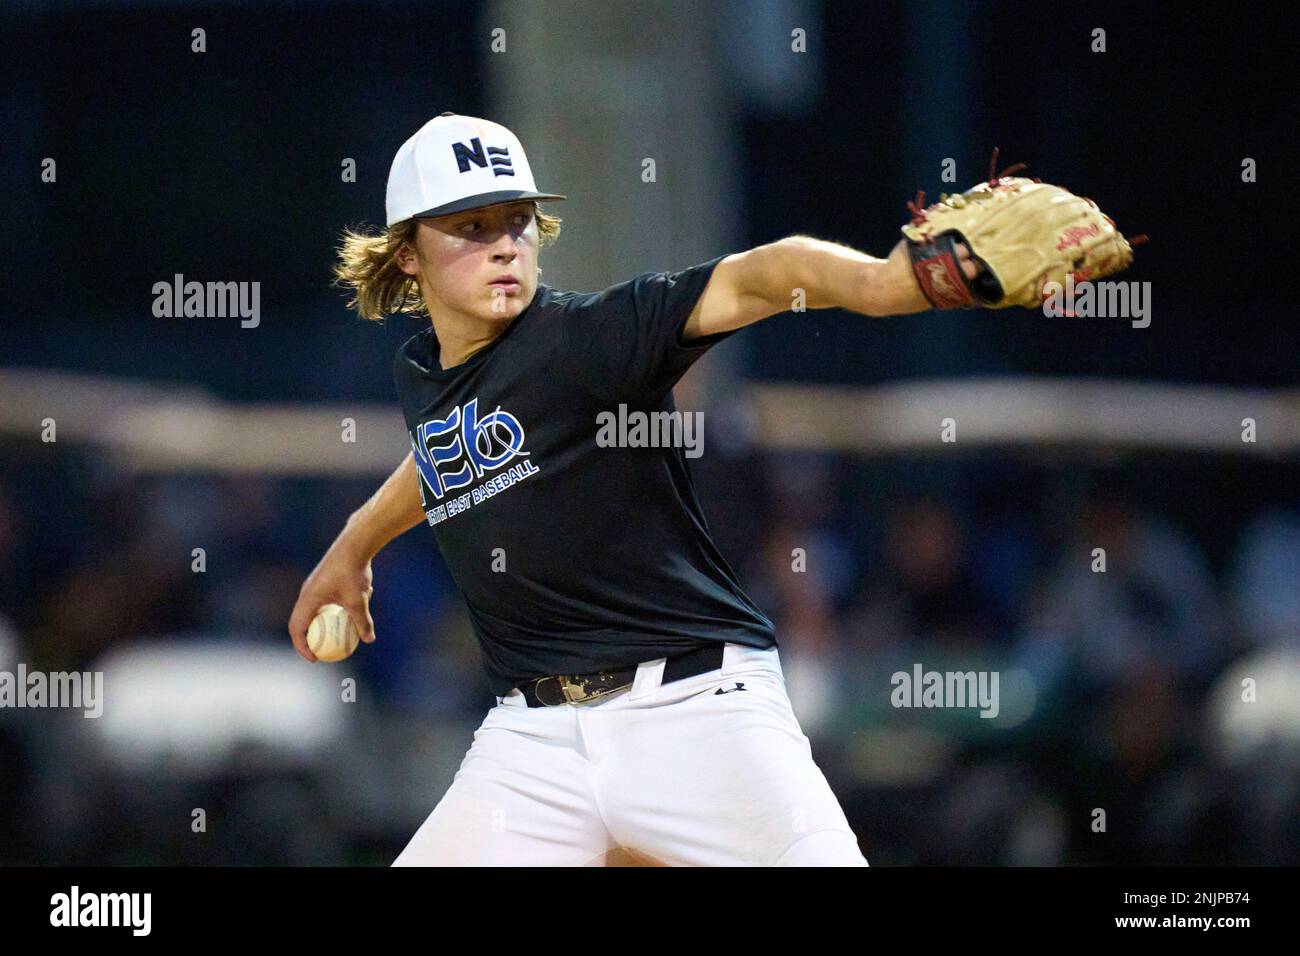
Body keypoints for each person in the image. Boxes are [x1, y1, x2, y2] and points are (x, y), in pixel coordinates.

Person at [288, 113, 984, 866]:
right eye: (469, 225)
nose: (502, 244)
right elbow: (445, 453)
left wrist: (883, 281)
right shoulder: (425, 373)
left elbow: (759, 274)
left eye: (517, 221)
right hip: (534, 742)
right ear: (406, 255)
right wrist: (356, 543)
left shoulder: (592, 340)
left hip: (695, 710)